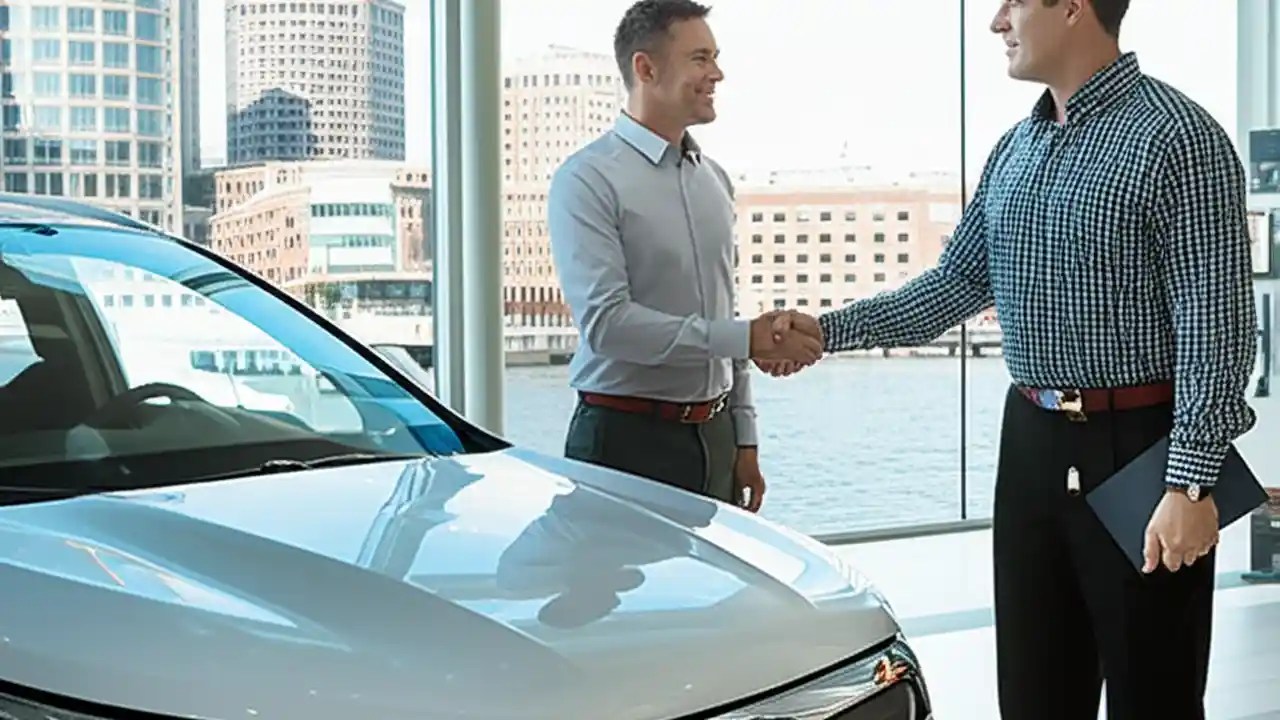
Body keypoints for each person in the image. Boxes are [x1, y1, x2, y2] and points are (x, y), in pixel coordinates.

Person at [781, 1, 1256, 718]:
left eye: (1014, 3)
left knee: (1153, 695)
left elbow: (1215, 320)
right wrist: (824, 331)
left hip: (1142, 447)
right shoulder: (1014, 148)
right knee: (1034, 694)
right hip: (1030, 440)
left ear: (1070, 8)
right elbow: (956, 284)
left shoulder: (1179, 138)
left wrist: (1190, 484)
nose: (997, 21)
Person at [547, 0, 821, 512]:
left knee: (714, 594)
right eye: (700, 58)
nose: (717, 73)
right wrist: (747, 337)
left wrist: (744, 436)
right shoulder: (585, 180)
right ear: (645, 69)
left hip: (714, 438)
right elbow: (607, 324)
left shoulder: (715, 180)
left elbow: (723, 309)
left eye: (715, 57)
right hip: (622, 442)